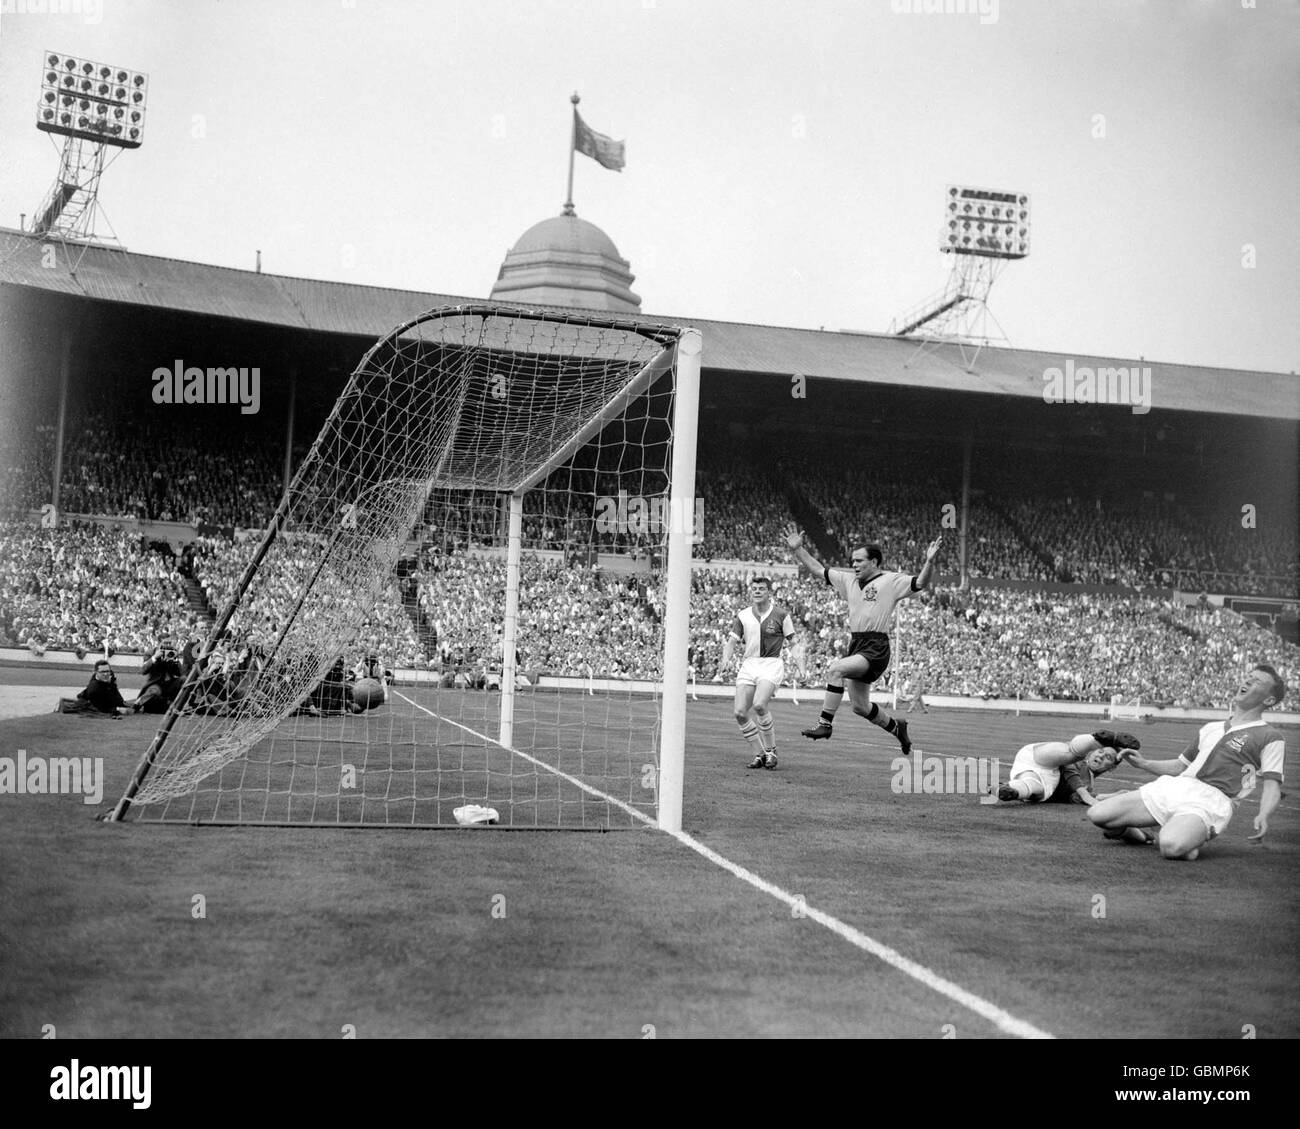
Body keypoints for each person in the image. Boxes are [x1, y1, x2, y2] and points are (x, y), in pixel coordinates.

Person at [1087, 664, 1287, 860]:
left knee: (1170, 847)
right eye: (1249, 676)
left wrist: (1264, 815)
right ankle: (1142, 834)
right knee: (1097, 814)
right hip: (1178, 787)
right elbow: (1181, 766)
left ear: (1269, 699)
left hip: (1211, 801)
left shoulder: (1270, 736)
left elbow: (1272, 785)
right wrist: (1144, 763)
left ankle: (1183, 836)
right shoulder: (1211, 728)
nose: (1248, 680)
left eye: (1257, 681)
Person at [785, 522, 941, 756]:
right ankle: (897, 728)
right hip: (857, 643)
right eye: (853, 561)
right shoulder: (848, 580)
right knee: (860, 706)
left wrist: (929, 562)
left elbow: (920, 583)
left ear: (874, 562)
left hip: (876, 646)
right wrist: (798, 549)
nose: (854, 564)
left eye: (859, 560)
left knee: (835, 669)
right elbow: (819, 570)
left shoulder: (891, 580)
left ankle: (825, 725)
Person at [719, 577, 796, 770]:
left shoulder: (781, 615)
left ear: (769, 592)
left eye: (761, 589)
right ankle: (760, 754)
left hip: (771, 664)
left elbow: (794, 642)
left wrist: (801, 665)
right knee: (739, 713)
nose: (757, 591)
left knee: (760, 705)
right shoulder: (743, 615)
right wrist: (725, 660)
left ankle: (771, 751)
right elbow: (731, 642)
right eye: (754, 589)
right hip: (749, 664)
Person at [993, 730, 1136, 804]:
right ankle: (1097, 739)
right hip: (1040, 757)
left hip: (1040, 778)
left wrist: (1115, 796)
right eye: (1100, 751)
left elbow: (1075, 799)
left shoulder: (1088, 785)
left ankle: (1006, 789)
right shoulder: (1081, 765)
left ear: (1111, 768)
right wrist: (1084, 793)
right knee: (1071, 755)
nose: (1101, 756)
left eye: (1108, 757)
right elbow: (1069, 768)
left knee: (1033, 786)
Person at [56, 659, 126, 716]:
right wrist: (117, 709)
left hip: (97, 694)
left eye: (107, 671)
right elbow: (102, 709)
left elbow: (119, 701)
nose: (106, 674)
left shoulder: (110, 675)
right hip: (91, 701)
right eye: (102, 672)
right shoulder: (94, 689)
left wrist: (112, 684)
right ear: (96, 672)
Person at [130, 640, 184, 714]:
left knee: (184, 679)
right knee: (154, 690)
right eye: (165, 643)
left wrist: (176, 661)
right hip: (157, 683)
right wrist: (154, 657)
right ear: (159, 643)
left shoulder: (172, 652)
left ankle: (179, 705)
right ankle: (137, 704)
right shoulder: (150, 653)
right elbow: (143, 670)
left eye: (169, 643)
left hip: (170, 683)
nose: (167, 646)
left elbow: (181, 673)